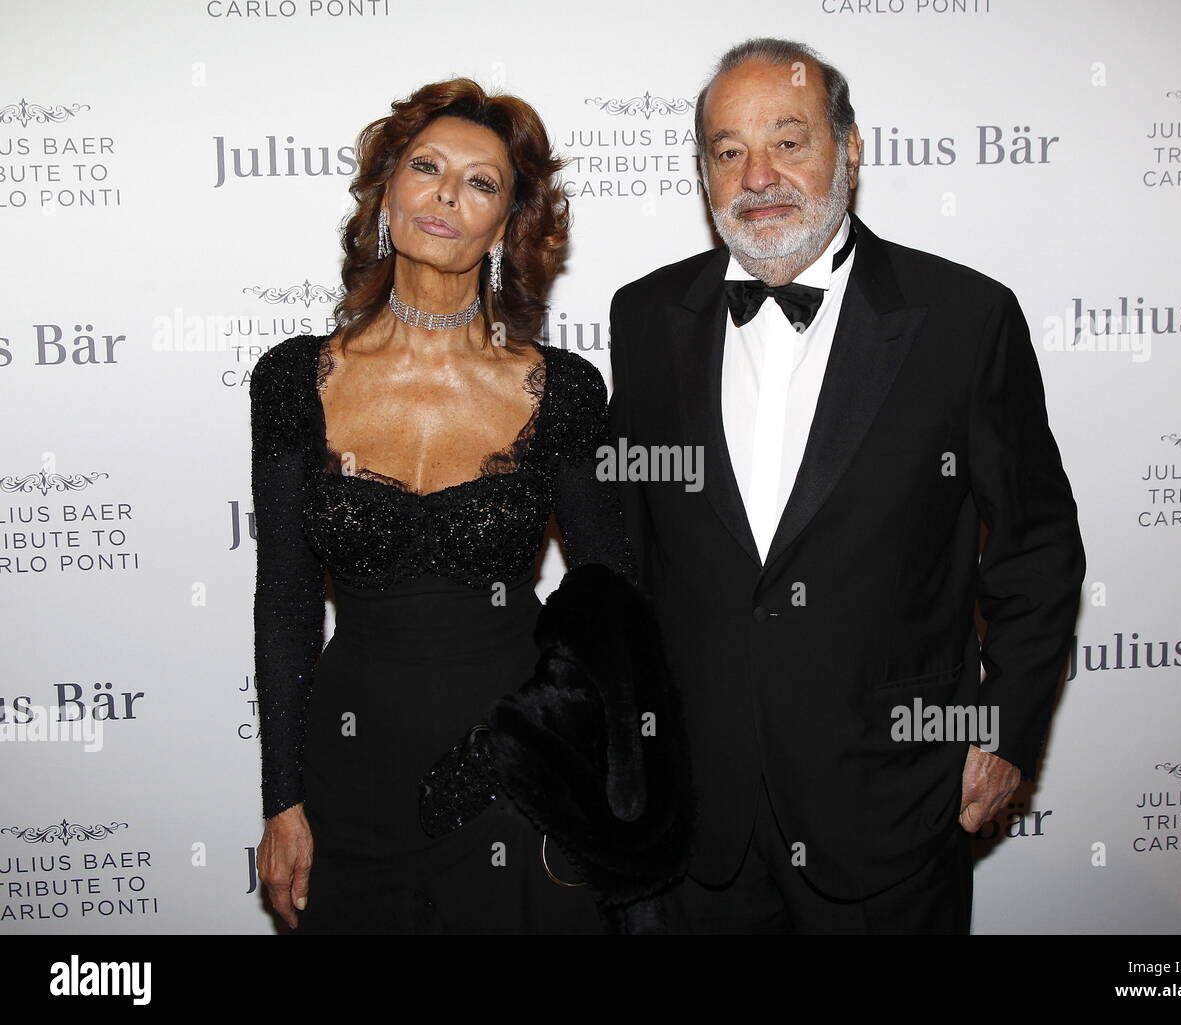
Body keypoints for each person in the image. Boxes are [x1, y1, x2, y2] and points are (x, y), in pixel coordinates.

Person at [606, 37, 1086, 933]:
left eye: (789, 140)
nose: (759, 175)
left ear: (850, 149)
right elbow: (632, 555)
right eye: (727, 150)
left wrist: (1004, 730)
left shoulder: (963, 319)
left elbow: (1040, 548)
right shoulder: (643, 317)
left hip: (892, 809)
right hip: (695, 824)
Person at [250, 78, 689, 935]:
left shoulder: (560, 390)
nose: (448, 193)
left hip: (515, 769)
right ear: (388, 191)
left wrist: (528, 741)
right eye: (427, 167)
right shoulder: (292, 380)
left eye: (481, 182)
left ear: (508, 223)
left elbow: (612, 600)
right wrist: (282, 799)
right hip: (352, 767)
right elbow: (288, 604)